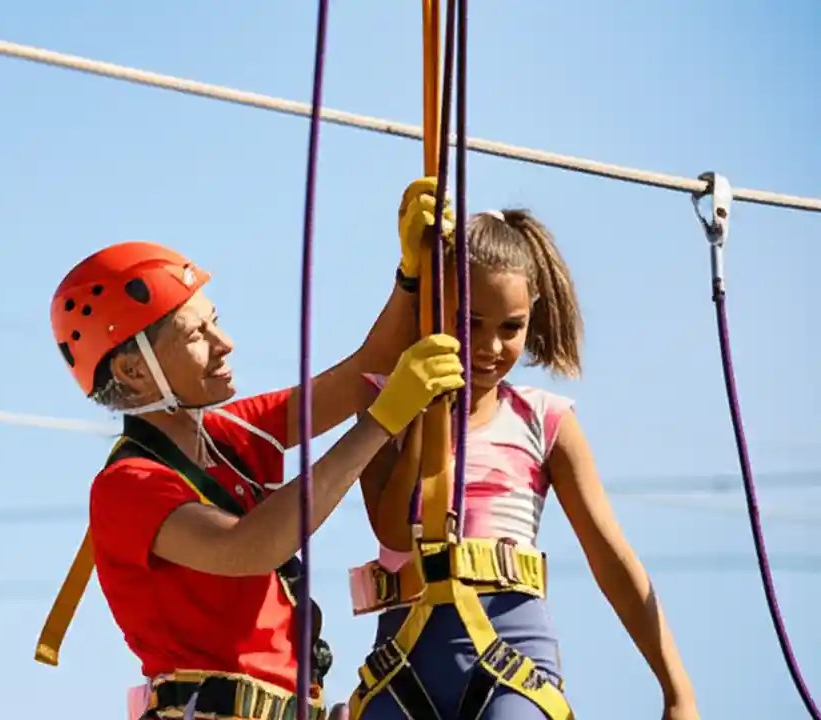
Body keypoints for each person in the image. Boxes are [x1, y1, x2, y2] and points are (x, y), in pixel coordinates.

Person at [45, 177, 466, 720]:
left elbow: (367, 371)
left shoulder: (232, 434)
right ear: (133, 372)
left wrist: (409, 277)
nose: (225, 344)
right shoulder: (127, 487)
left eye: (215, 323)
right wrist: (380, 423)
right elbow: (251, 545)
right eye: (196, 335)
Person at [346, 208, 699, 720]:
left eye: (511, 327)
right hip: (404, 659)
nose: (490, 347)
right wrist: (420, 424)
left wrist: (676, 689)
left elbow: (610, 555)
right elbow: (395, 535)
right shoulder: (384, 406)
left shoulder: (544, 420)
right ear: (435, 310)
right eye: (470, 323)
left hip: (511, 656)